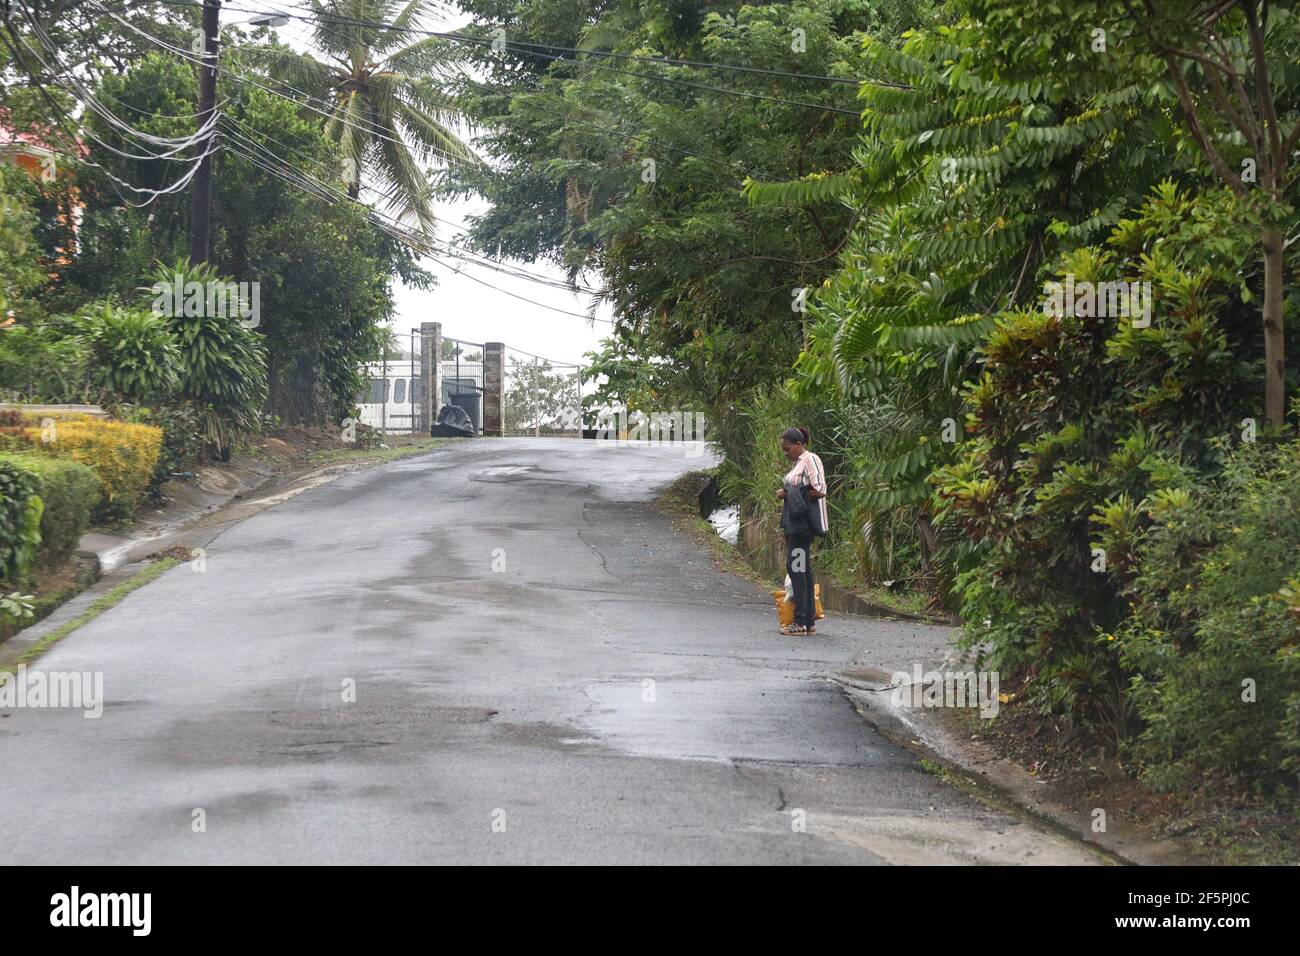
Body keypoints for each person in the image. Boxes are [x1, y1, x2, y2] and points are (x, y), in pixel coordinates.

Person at [776, 426, 827, 636]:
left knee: (796, 567)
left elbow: (820, 489)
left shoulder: (810, 459)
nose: (787, 454)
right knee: (802, 569)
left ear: (798, 444)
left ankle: (800, 621)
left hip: (802, 526)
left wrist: (789, 493)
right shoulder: (799, 463)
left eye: (788, 449)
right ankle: (809, 620)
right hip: (794, 525)